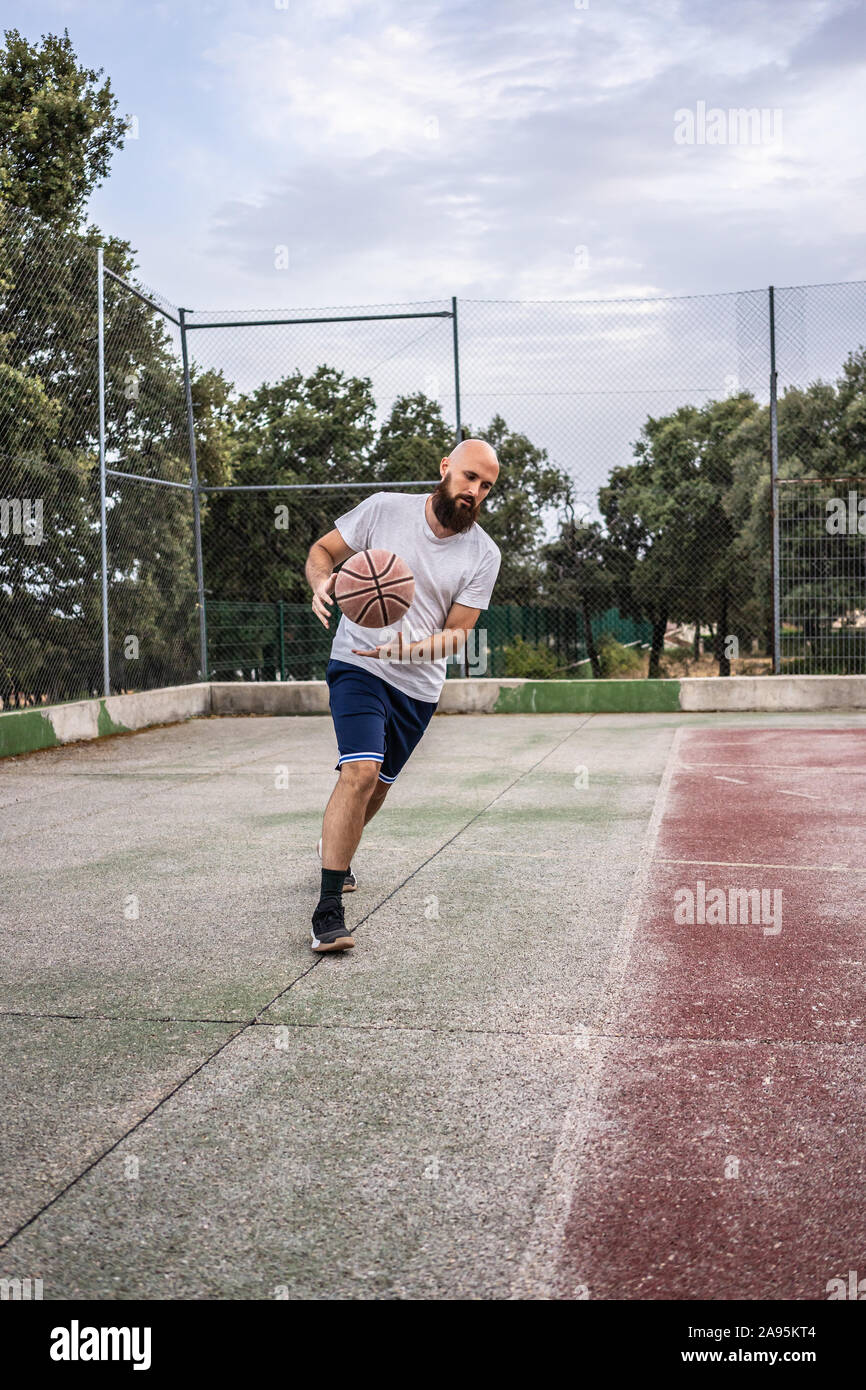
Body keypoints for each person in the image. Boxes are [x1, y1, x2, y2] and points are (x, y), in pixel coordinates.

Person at [304, 438, 501, 951]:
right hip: (357, 664)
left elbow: (458, 633)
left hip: (417, 683)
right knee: (361, 771)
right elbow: (323, 551)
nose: (474, 491)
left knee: (378, 786)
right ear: (445, 468)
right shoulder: (384, 509)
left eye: (485, 486)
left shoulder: (483, 554)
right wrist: (322, 583)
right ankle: (328, 910)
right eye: (469, 477)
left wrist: (407, 650)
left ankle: (334, 849)